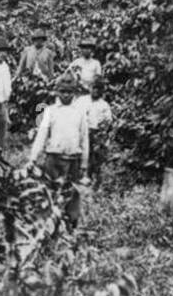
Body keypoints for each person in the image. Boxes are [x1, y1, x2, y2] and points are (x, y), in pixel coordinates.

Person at [29, 76, 90, 225]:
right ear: (57, 92)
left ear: (74, 93)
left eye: (69, 92)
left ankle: (71, 223)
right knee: (50, 192)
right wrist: (33, 159)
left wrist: (84, 163)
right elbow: (41, 136)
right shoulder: (50, 111)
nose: (66, 95)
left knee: (73, 193)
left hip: (73, 160)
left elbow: (84, 138)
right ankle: (49, 223)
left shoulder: (80, 112)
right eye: (62, 91)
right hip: (54, 159)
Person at [76, 78, 114, 188]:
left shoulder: (104, 105)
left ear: (102, 91)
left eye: (99, 89)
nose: (96, 91)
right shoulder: (81, 100)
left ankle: (91, 179)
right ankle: (77, 177)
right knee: (79, 154)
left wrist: (102, 132)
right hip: (81, 131)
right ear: (90, 88)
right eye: (94, 88)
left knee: (94, 156)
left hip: (95, 132)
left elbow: (108, 121)